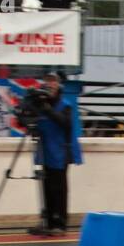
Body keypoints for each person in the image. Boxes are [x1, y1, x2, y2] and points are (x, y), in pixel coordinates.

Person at [29, 73, 83, 235]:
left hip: (61, 150)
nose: (50, 85)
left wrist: (47, 110)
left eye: (53, 82)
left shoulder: (65, 105)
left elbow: (65, 123)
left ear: (58, 86)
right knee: (46, 186)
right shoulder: (42, 104)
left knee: (59, 188)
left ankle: (60, 222)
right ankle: (48, 221)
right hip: (45, 151)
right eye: (47, 82)